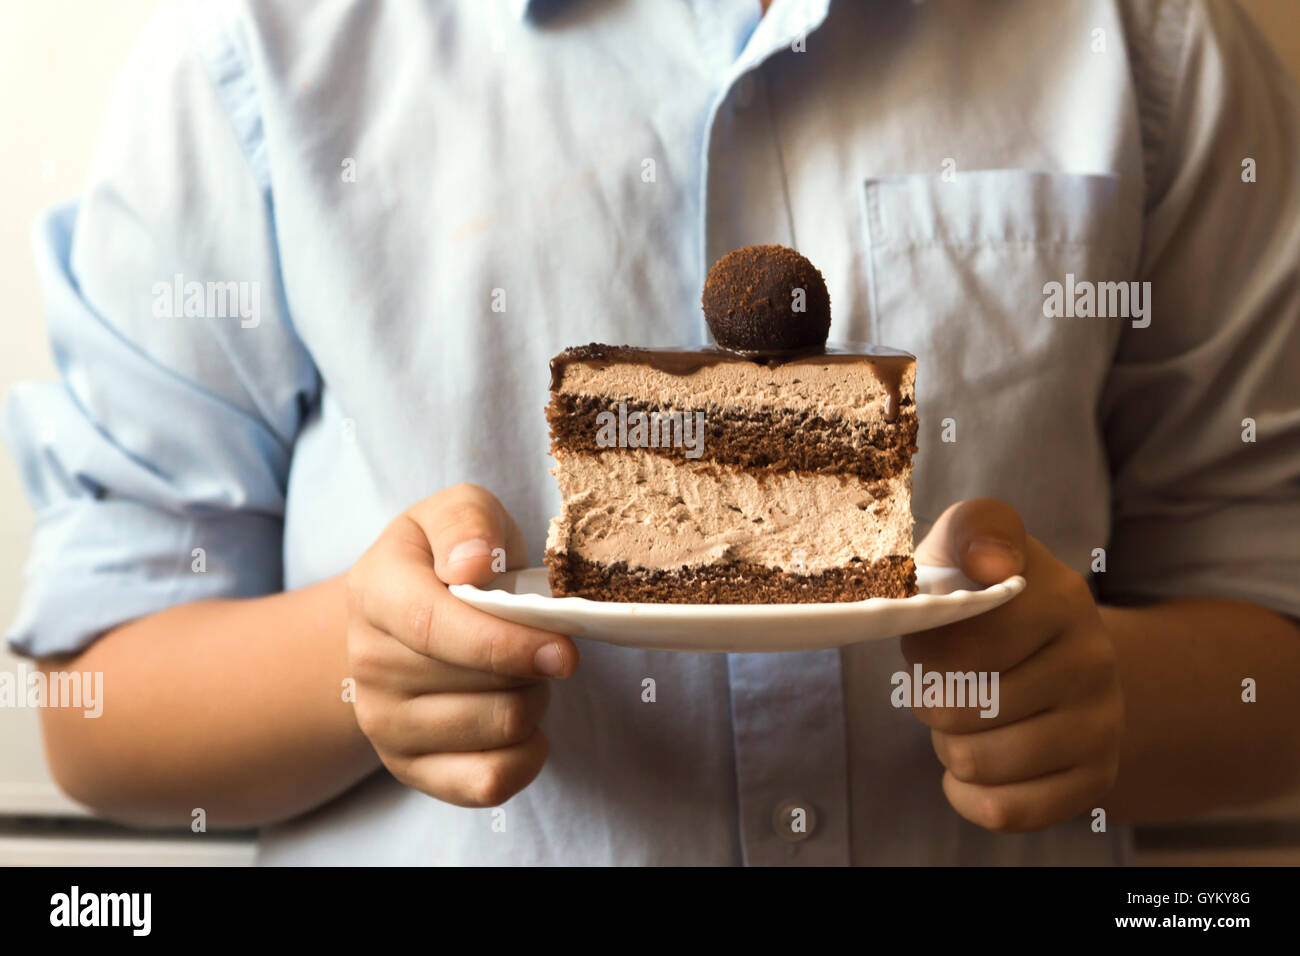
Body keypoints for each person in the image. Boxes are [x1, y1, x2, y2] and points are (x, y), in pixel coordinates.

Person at [6, 0, 1299, 865]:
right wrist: (355, 667)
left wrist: (1111, 701)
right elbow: (93, 708)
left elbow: (1266, 638)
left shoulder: (1153, 40)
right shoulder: (256, 50)